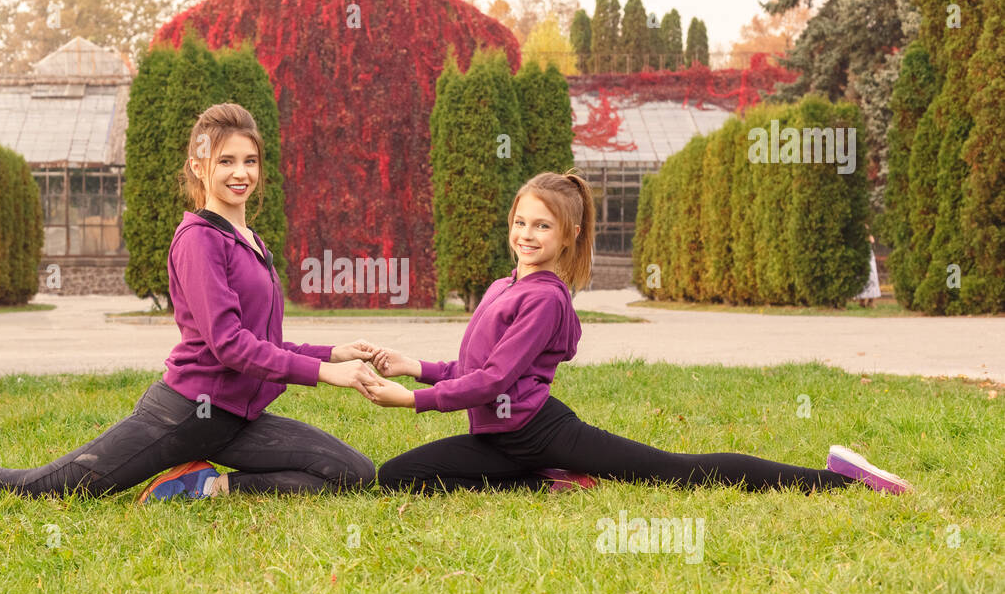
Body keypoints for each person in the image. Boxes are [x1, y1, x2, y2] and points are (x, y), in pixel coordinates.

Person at [0, 103, 380, 504]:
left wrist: (335, 349)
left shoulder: (251, 241)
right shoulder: (200, 240)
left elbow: (266, 344)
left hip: (236, 422)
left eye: (249, 160)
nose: (240, 173)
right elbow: (230, 346)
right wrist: (327, 372)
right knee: (50, 485)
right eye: (225, 161)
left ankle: (202, 487)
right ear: (198, 166)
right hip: (184, 414)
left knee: (351, 472)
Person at [361, 171, 911, 494]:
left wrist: (414, 400)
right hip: (497, 439)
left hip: (535, 429)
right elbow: (475, 369)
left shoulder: (545, 298)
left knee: (674, 472)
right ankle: (549, 478)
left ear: (569, 234)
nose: (527, 234)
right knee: (397, 474)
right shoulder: (503, 285)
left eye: (543, 225)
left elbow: (497, 380)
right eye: (520, 222)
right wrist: (415, 367)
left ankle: (840, 479)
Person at [855, 229, 881, 308]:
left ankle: (871, 301)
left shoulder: (870, 238)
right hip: (861, 258)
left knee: (872, 279)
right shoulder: (858, 239)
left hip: (869, 258)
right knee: (861, 278)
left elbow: (873, 246)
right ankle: (862, 301)